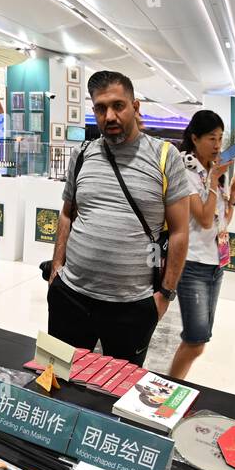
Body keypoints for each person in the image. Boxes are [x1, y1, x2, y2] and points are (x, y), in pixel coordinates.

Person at [47, 70, 192, 363]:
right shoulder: (83, 154)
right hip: (71, 296)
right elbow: (66, 215)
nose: (109, 116)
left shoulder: (165, 157)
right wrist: (56, 268)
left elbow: (179, 232)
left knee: (117, 395)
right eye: (101, 108)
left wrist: (165, 294)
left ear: (135, 106)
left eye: (118, 105)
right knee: (59, 379)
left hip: (133, 304)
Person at [167, 110, 235, 379]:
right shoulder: (186, 169)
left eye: (221, 139)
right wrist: (214, 180)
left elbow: (220, 222)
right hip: (192, 264)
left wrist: (233, 196)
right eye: (211, 138)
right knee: (195, 341)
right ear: (195, 138)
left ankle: (170, 387)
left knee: (199, 341)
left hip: (215, 264)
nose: (217, 145)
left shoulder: (211, 172)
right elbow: (202, 218)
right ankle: (168, 389)